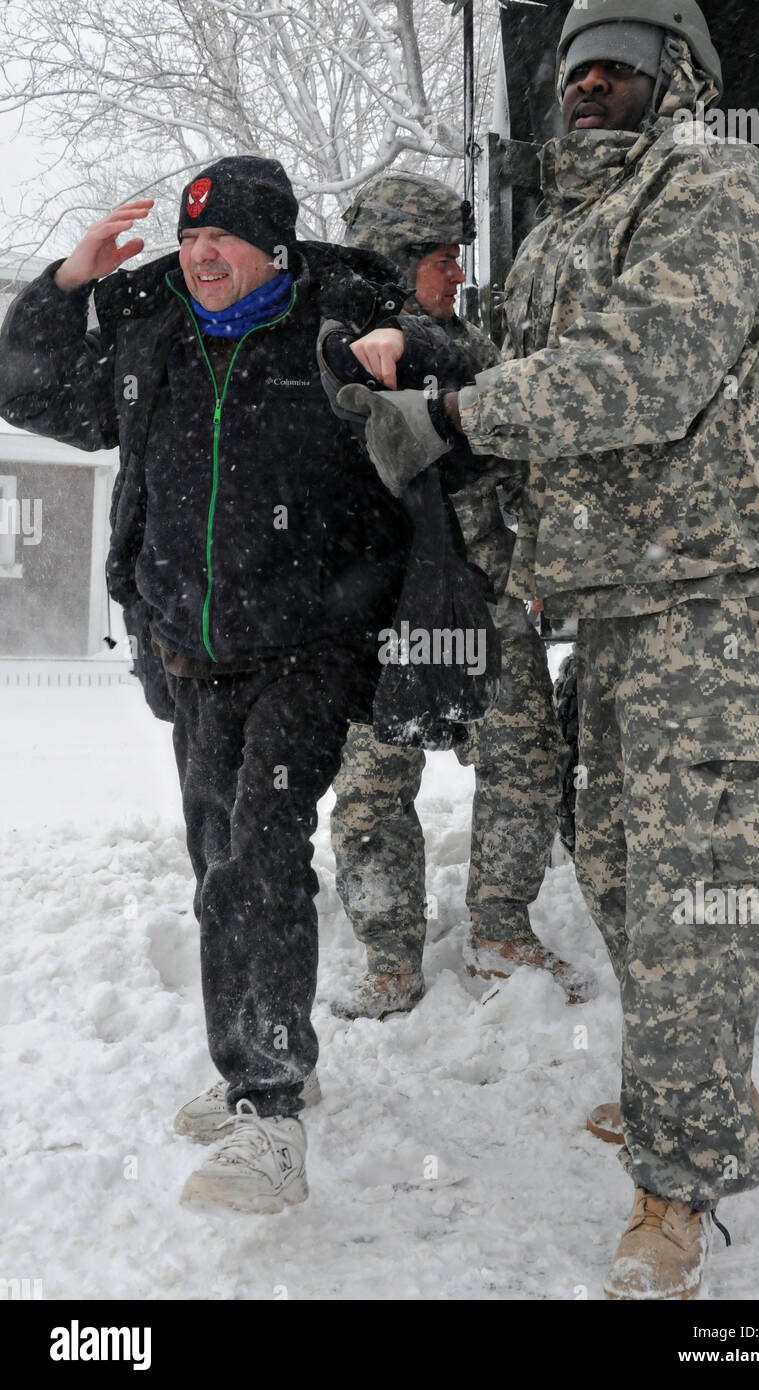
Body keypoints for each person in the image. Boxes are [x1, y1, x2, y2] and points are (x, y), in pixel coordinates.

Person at [340, 0, 759, 1298]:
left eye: (616, 63)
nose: (586, 84)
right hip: (614, 596)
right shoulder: (562, 232)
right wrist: (419, 377)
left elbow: (641, 372)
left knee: (692, 881)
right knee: (611, 856)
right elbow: (520, 389)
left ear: (680, 74)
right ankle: (697, 1089)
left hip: (714, 588)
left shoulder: (715, 184)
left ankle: (678, 1184)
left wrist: (449, 413)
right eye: (573, 68)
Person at [0, 155, 415, 1214]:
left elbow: (453, 377)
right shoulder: (155, 341)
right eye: (187, 239)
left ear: (272, 248)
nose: (198, 256)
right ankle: (262, 1058)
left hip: (309, 647)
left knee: (261, 854)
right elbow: (30, 392)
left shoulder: (333, 329)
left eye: (220, 237)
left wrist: (403, 354)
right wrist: (65, 285)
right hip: (190, 650)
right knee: (218, 862)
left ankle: (267, 1106)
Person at [326, 172, 581, 1021]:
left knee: (525, 755)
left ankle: (501, 930)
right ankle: (389, 956)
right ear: (395, 261)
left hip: (483, 597)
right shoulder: (331, 350)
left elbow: (518, 446)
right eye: (441, 258)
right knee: (372, 782)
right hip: (380, 606)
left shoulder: (469, 350)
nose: (458, 273)